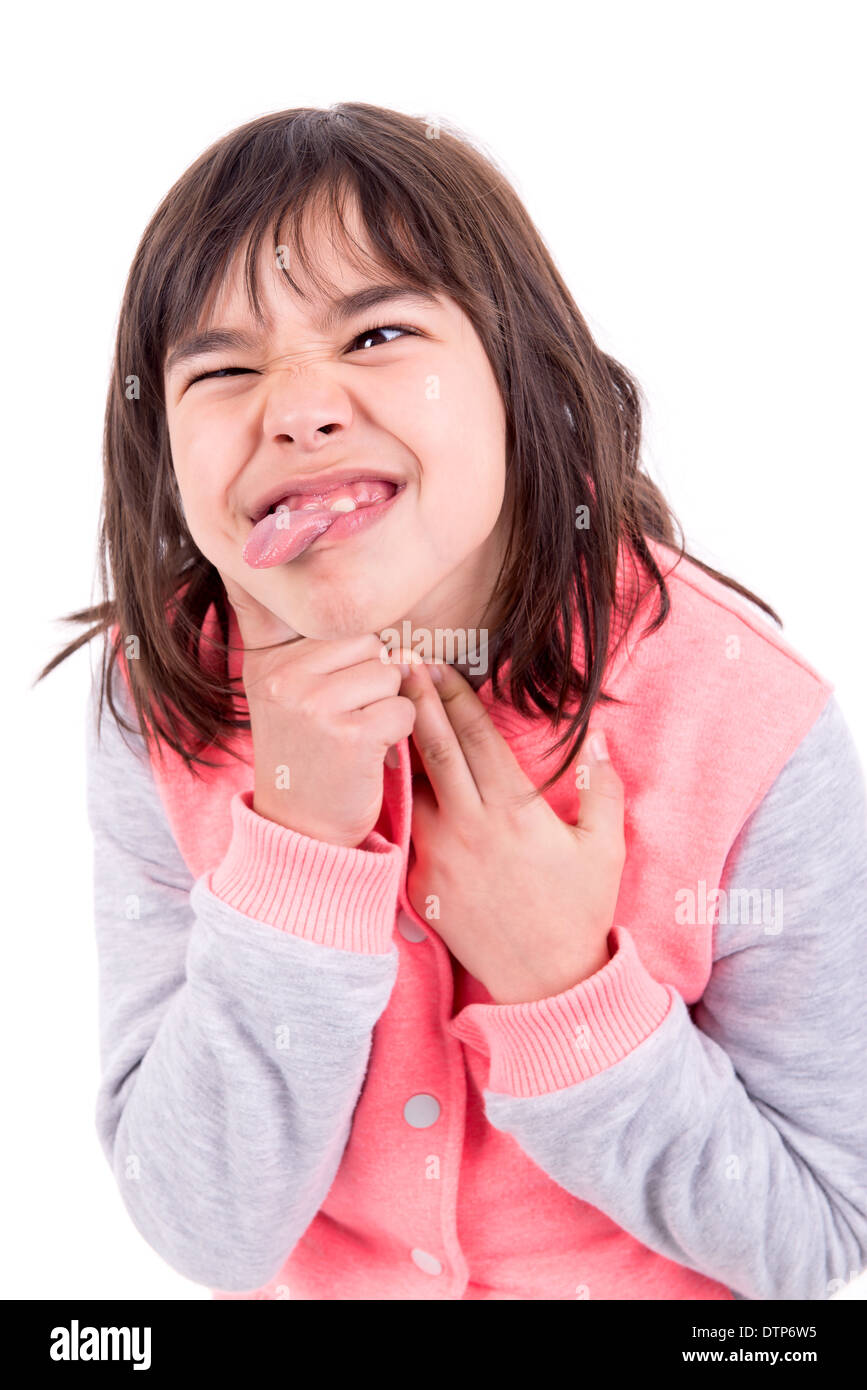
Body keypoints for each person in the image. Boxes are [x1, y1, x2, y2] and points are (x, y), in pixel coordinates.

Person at [38, 103, 867, 1300]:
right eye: (223, 368)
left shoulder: (744, 730)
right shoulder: (158, 702)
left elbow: (817, 1233)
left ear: (522, 374)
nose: (297, 406)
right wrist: (297, 854)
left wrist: (562, 987)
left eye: (375, 335)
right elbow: (203, 1229)